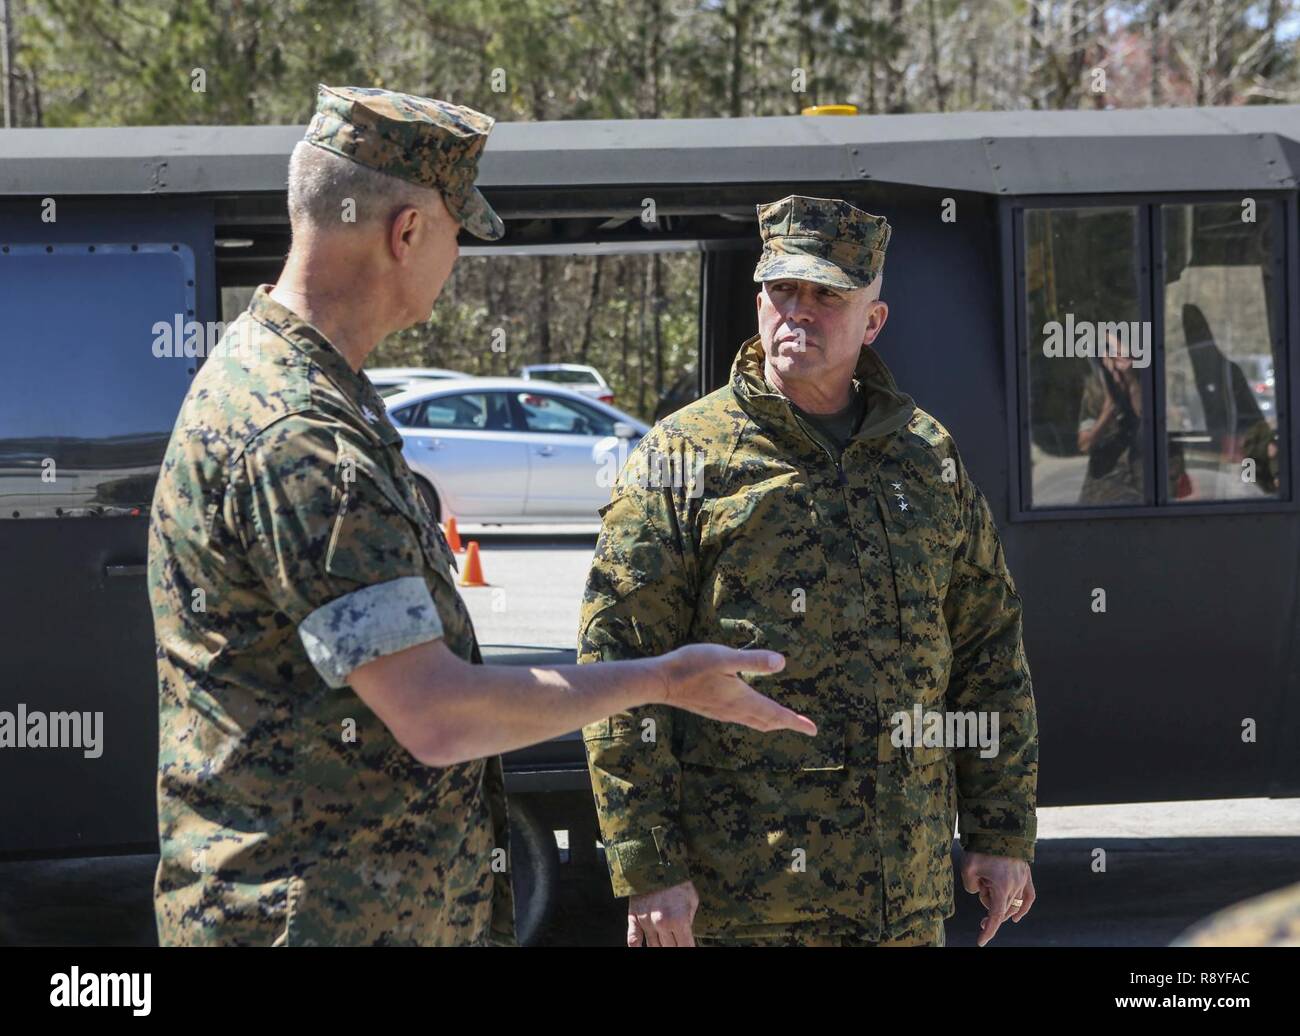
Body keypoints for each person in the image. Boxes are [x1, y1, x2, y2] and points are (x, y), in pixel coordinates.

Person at [147, 85, 813, 947]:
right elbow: (440, 716)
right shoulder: (299, 431)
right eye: (458, 232)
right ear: (408, 233)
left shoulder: (302, 388)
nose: (458, 258)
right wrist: (664, 678)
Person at [579, 195, 1039, 948]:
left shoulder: (926, 458)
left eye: (828, 294)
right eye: (782, 291)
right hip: (746, 903)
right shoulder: (682, 457)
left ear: (873, 320)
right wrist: (648, 867)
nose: (799, 312)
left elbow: (989, 654)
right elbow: (619, 668)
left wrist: (1002, 830)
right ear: (758, 300)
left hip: (905, 898)